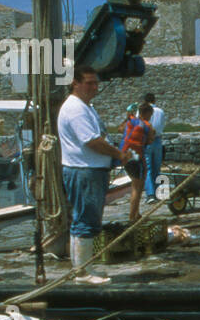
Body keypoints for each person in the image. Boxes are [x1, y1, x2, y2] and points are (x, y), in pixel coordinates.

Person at [58, 66, 132, 285]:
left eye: (96, 83)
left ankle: (81, 268)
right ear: (75, 83)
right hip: (84, 171)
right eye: (89, 83)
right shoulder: (76, 109)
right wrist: (119, 154)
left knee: (82, 219)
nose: (94, 87)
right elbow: (92, 141)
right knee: (86, 220)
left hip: (87, 169)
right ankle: (82, 273)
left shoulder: (85, 106)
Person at [120, 103, 153, 223]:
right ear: (147, 113)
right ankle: (132, 217)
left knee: (136, 184)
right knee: (137, 187)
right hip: (137, 157)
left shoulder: (130, 121)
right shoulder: (147, 125)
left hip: (125, 156)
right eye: (150, 115)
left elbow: (121, 130)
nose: (150, 117)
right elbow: (150, 140)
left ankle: (137, 213)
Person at [142, 93, 166, 203]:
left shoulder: (142, 111)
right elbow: (162, 125)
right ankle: (158, 193)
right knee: (157, 168)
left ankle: (150, 194)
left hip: (147, 140)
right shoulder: (161, 111)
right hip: (158, 140)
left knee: (148, 168)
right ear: (154, 100)